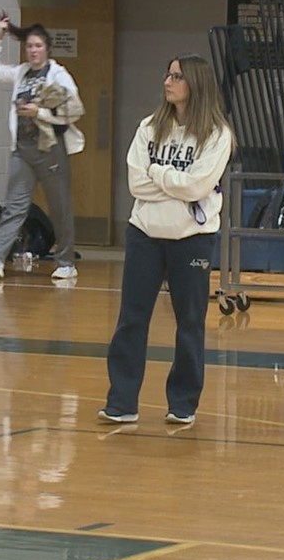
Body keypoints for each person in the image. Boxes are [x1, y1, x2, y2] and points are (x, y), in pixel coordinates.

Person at [98, 54, 235, 426]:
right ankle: (122, 402)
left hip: (192, 239)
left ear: (196, 83)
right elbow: (135, 183)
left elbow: (198, 185)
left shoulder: (218, 134)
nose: (167, 81)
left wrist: (158, 174)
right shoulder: (149, 127)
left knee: (189, 323)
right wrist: (174, 182)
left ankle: (183, 403)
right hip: (144, 234)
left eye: (177, 76)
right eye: (168, 74)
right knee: (131, 319)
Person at [0, 14, 85, 281]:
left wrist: (39, 113)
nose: (33, 50)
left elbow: (74, 111)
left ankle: (66, 262)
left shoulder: (58, 74)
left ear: (47, 48)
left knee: (59, 207)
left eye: (38, 46)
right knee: (15, 205)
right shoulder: (21, 73)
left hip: (50, 149)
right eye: (29, 46)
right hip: (22, 151)